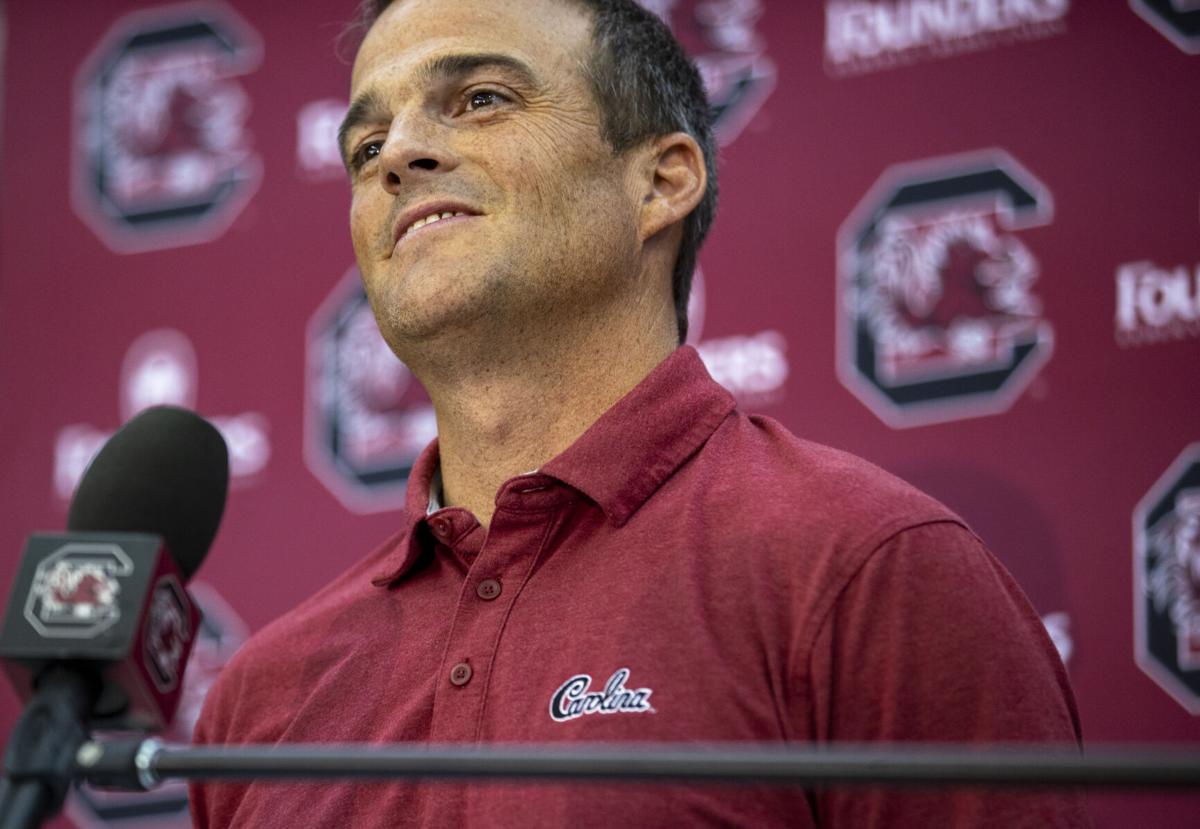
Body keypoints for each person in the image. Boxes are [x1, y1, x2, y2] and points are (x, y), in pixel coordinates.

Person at [190, 0, 1091, 826]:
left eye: (481, 99)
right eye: (365, 146)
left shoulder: (871, 572)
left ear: (661, 180)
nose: (398, 154)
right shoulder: (258, 701)